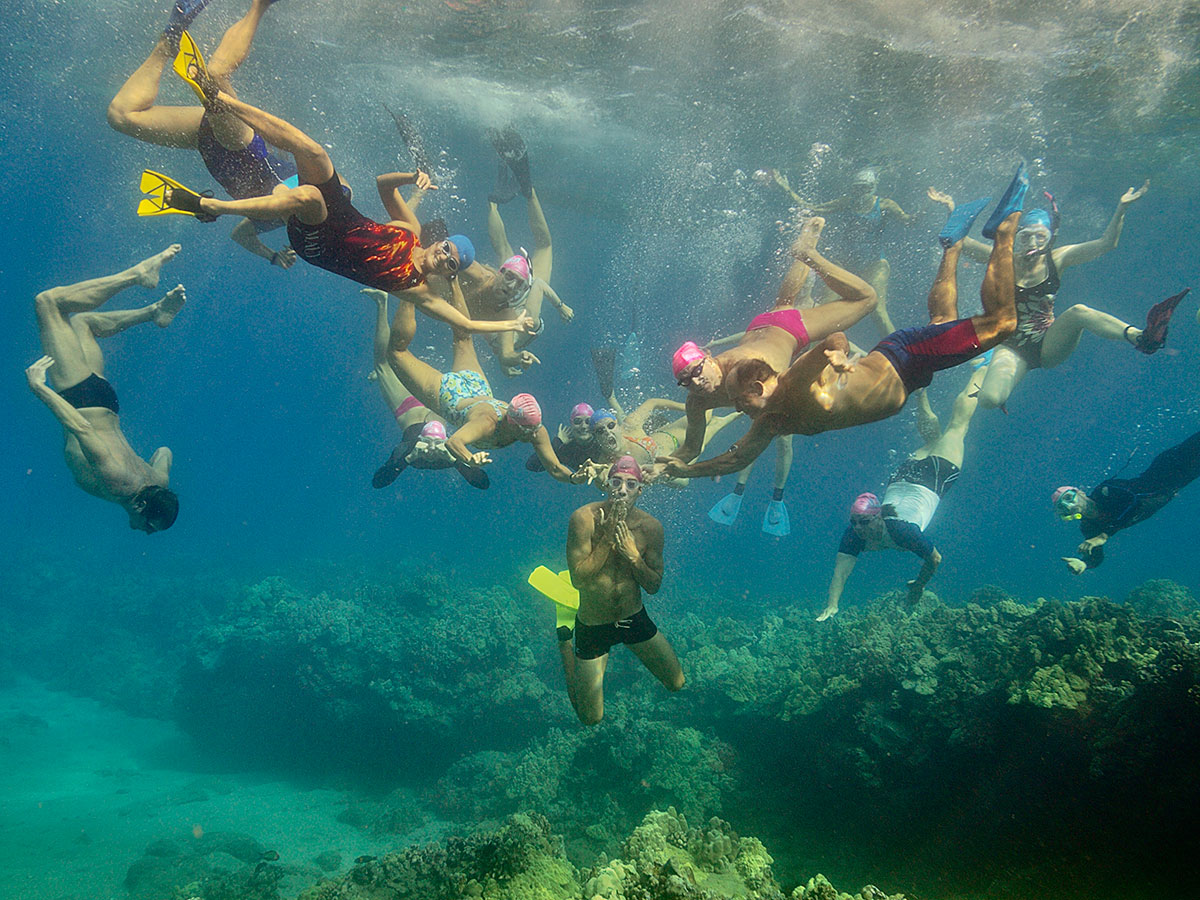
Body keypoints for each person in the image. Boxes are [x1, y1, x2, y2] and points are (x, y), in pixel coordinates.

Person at [659, 167, 1026, 480]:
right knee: (942, 322)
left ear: (761, 384)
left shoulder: (795, 379)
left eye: (742, 402)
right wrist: (684, 471)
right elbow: (735, 458)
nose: (739, 411)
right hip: (906, 376)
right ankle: (953, 243)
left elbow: (834, 338)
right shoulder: (771, 421)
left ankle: (1005, 228)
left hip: (906, 358)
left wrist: (836, 354)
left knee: (1002, 323)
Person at [149, 40, 531, 337]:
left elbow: (465, 325)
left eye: (451, 264)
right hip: (340, 216)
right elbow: (383, 187)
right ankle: (221, 99)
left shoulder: (416, 289)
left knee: (309, 196)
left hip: (320, 246)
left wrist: (511, 325)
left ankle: (207, 205)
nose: (445, 257)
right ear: (438, 243)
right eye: (447, 249)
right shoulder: (411, 233)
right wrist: (411, 177)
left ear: (448, 273)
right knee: (314, 151)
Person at [927, 179, 1160, 410]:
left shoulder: (1058, 258)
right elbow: (961, 241)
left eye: (1040, 236)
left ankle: (1141, 337)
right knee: (989, 401)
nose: (1033, 242)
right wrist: (952, 210)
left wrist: (1121, 209)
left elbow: (1106, 244)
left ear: (1050, 237)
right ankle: (991, 380)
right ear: (1016, 237)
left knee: (1079, 312)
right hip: (1011, 347)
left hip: (1050, 343)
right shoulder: (1002, 260)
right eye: (1026, 236)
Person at [667, 216, 877, 468]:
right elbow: (690, 448)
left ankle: (810, 254)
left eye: (698, 371)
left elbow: (755, 433)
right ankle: (804, 246)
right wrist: (658, 467)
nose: (696, 383)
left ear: (710, 357)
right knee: (784, 302)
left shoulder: (744, 370)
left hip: (788, 328)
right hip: (760, 325)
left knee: (867, 298)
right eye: (686, 381)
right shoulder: (696, 401)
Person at [109, 0, 299, 268]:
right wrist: (214, 207)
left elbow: (240, 235)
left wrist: (273, 256)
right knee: (216, 76)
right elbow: (316, 186)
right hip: (242, 145)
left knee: (122, 115)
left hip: (208, 148)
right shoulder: (330, 199)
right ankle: (261, 4)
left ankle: (170, 39)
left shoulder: (268, 219)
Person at [25, 246, 185, 532]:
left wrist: (146, 473)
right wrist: (40, 387)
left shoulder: (157, 482)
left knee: (83, 323)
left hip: (106, 401)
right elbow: (81, 428)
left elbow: (164, 452)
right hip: (78, 396)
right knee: (48, 302)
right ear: (141, 508)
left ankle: (154, 312)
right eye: (148, 526)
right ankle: (136, 275)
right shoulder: (116, 482)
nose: (141, 530)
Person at [819, 363, 988, 620]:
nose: (858, 528)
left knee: (958, 426)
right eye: (853, 522)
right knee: (933, 439)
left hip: (936, 475)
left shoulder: (902, 530)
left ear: (877, 516)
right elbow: (840, 573)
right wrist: (833, 604)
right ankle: (921, 393)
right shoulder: (853, 535)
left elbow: (935, 559)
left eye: (863, 521)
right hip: (905, 476)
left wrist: (919, 586)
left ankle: (983, 369)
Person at [381, 287, 582, 482]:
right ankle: (407, 288)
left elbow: (554, 468)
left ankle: (452, 279)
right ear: (512, 421)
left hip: (477, 387)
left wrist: (575, 477)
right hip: (451, 394)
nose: (533, 434)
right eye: (528, 429)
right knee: (396, 353)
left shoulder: (534, 428)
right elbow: (453, 442)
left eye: (534, 427)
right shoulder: (487, 423)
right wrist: (469, 458)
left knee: (463, 337)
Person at [560, 456, 681, 725]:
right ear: (607, 484)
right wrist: (606, 538)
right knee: (590, 718)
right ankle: (564, 641)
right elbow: (578, 580)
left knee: (676, 683)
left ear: (640, 489)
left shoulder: (651, 528)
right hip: (593, 623)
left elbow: (653, 586)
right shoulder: (583, 519)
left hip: (631, 617)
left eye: (631, 484)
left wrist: (633, 557)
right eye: (616, 482)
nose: (622, 490)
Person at [460, 127, 574, 376]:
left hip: (515, 288)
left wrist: (506, 361)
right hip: (522, 286)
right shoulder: (518, 319)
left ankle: (504, 199)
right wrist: (560, 305)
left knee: (536, 247)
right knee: (531, 247)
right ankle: (514, 195)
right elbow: (539, 284)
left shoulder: (509, 321)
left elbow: (504, 350)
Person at [362, 291, 488, 490]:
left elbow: (379, 481)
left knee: (383, 365)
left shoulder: (409, 452)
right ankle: (401, 298)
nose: (430, 450)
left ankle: (382, 303)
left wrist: (409, 457)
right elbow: (482, 482)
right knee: (396, 362)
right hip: (436, 402)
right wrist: (456, 459)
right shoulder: (451, 453)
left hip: (408, 408)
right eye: (432, 444)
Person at [769, 165, 914, 333]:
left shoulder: (885, 205)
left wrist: (928, 207)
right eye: (857, 188)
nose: (860, 192)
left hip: (874, 262)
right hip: (844, 261)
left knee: (879, 312)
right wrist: (786, 189)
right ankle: (817, 352)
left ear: (873, 187)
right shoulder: (846, 202)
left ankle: (900, 352)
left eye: (864, 187)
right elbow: (812, 207)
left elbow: (909, 221)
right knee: (825, 309)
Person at [1054, 427, 1200, 572]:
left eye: (1068, 498)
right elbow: (1096, 556)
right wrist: (1084, 564)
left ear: (1080, 493)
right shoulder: (1089, 527)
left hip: (1168, 466)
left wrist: (1104, 535)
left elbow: (1136, 502)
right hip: (1177, 483)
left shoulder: (1104, 492)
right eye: (1062, 506)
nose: (1069, 505)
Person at [526, 403, 602, 473]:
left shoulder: (601, 444)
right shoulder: (565, 448)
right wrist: (557, 442)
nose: (583, 426)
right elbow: (532, 465)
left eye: (588, 421)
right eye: (578, 421)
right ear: (571, 424)